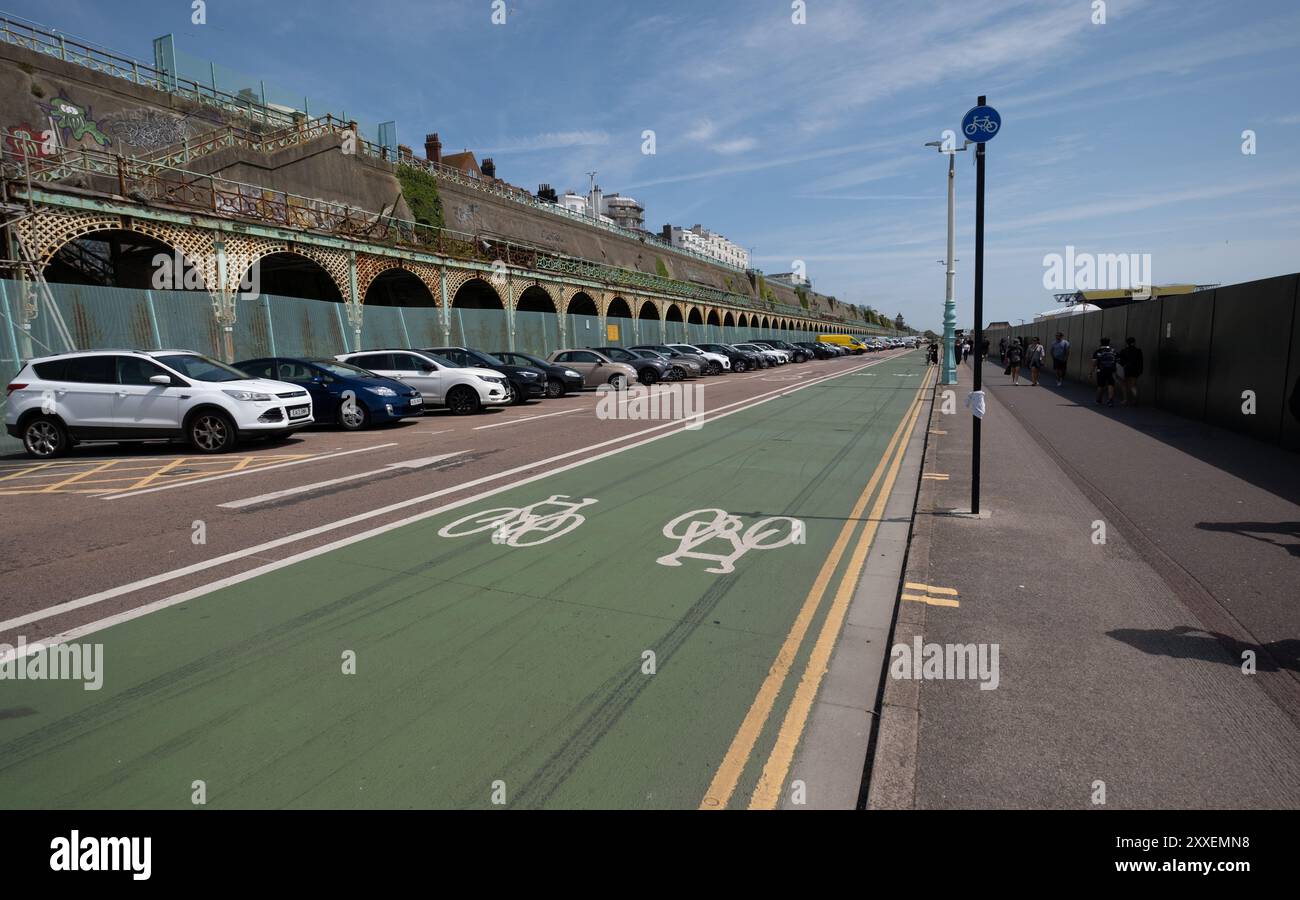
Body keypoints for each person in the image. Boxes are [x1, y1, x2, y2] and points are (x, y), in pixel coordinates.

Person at [1090, 336, 1119, 407]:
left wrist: (1091, 372)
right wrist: (1116, 372)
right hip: (1111, 371)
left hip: (1101, 371)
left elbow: (1094, 363)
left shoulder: (1098, 351)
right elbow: (1117, 362)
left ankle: (1098, 400)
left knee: (1100, 385)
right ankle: (1110, 401)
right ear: (1109, 343)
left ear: (1101, 343)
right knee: (1111, 384)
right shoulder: (1113, 351)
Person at [1117, 337, 1143, 406]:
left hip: (1126, 369)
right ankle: (1135, 400)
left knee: (1124, 385)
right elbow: (1141, 362)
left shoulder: (1124, 351)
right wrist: (1140, 370)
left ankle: (1125, 400)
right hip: (1135, 370)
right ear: (1134, 342)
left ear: (1127, 343)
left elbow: (1120, 361)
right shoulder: (1138, 351)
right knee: (1133, 385)